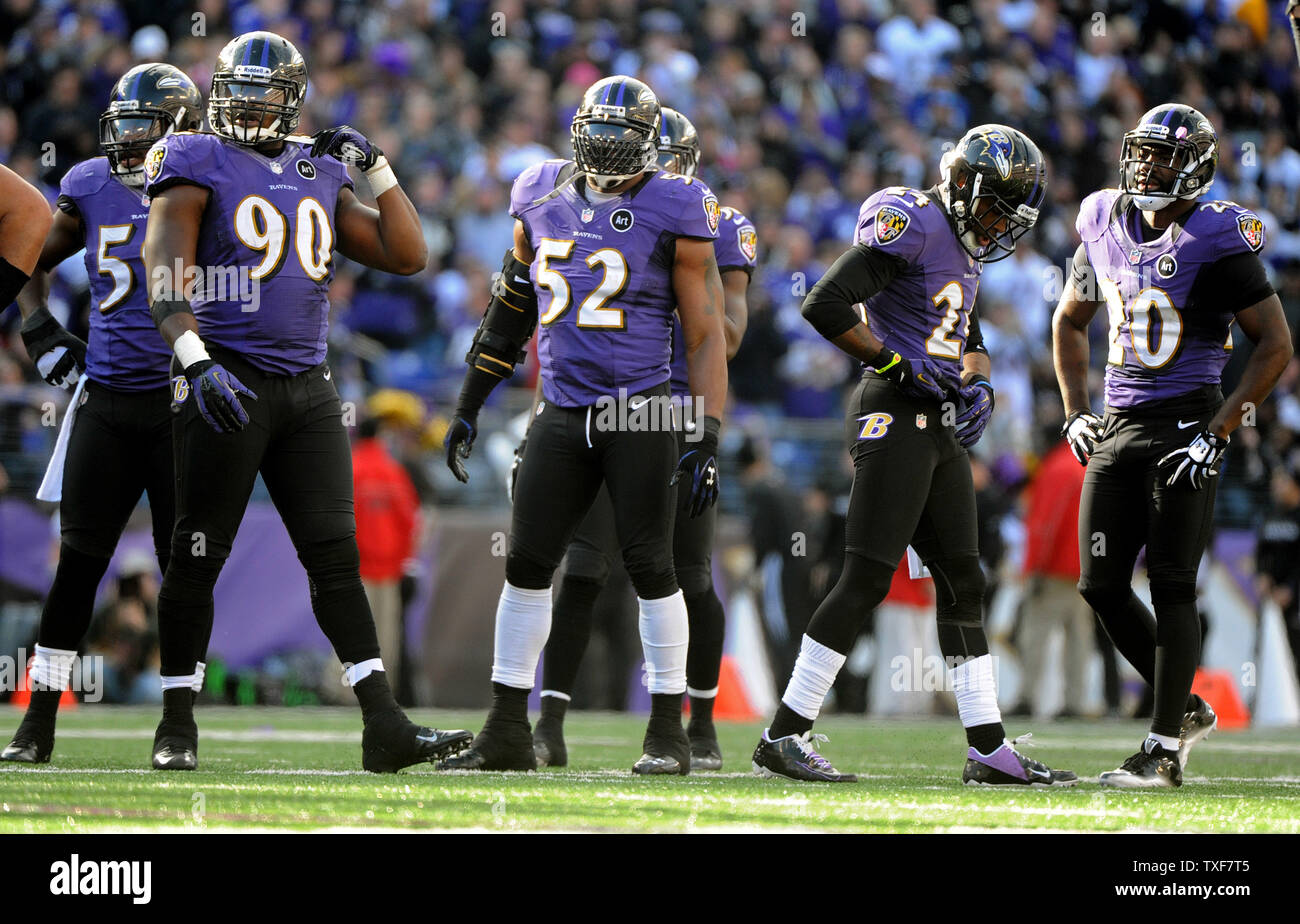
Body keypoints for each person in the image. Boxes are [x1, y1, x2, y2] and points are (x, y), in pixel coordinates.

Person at [140, 31, 468, 771]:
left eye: (266, 88)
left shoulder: (314, 165)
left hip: (308, 387)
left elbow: (407, 254)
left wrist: (377, 168)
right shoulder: (192, 155)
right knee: (197, 552)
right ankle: (176, 722)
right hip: (223, 376)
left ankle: (382, 723)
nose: (251, 101)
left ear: (291, 97)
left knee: (335, 556)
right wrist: (193, 361)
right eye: (240, 86)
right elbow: (163, 271)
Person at [751, 124, 1078, 786]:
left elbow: (969, 331)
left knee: (964, 579)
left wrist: (979, 380)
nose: (998, 225)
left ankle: (987, 748)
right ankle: (784, 734)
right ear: (963, 185)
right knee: (868, 575)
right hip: (893, 411)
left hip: (934, 421)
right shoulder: (915, 220)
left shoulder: (960, 246)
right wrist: (896, 363)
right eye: (993, 207)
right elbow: (827, 302)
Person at [440, 77, 729, 775]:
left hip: (641, 409)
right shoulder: (537, 192)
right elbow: (510, 307)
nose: (605, 149)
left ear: (650, 146)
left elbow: (704, 333)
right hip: (563, 410)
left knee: (652, 566)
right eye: (597, 132)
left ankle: (668, 733)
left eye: (621, 137)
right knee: (528, 564)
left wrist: (706, 430)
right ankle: (509, 728)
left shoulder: (675, 203)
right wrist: (470, 401)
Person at [1052, 103, 1293, 787]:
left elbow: (1275, 345)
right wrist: (1073, 412)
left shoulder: (1217, 234)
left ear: (1194, 167)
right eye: (1142, 152)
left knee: (1173, 585)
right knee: (1099, 584)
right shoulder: (1100, 219)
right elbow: (1070, 320)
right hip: (1119, 423)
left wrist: (1218, 432)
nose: (1147, 166)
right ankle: (1185, 708)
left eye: (1162, 156)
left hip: (1185, 425)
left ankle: (1161, 749)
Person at [528, 107, 755, 771]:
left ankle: (700, 726)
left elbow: (725, 337)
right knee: (583, 567)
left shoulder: (712, 223)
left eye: (677, 163)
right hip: (604, 408)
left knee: (688, 572)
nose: (668, 176)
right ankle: (549, 724)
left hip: (678, 411)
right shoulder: (587, 206)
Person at [3, 64, 205, 764]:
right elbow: (29, 251)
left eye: (140, 128)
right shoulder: (88, 183)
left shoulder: (212, 177)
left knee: (183, 568)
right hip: (110, 399)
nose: (124, 143)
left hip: (184, 400)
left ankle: (177, 724)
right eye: (118, 127)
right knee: (78, 566)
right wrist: (37, 326)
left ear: (176, 130)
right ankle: (37, 724)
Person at [1012, 437, 1092, 719]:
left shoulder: (1057, 468)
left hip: (1054, 570)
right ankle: (1075, 701)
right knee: (1079, 640)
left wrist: (1035, 567)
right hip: (1085, 571)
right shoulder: (1089, 466)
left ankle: (1027, 696)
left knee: (1035, 635)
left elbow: (1047, 524)